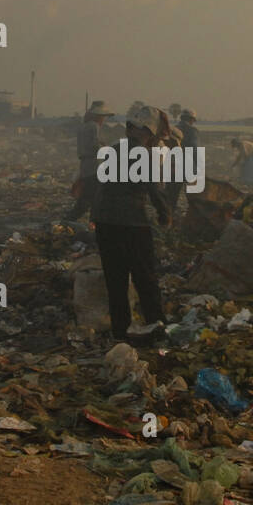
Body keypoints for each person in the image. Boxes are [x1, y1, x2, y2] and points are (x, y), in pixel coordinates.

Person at [93, 108, 172, 340]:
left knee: (115, 279)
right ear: (147, 131)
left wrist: (94, 215)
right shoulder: (143, 154)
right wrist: (164, 214)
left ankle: (121, 330)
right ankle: (156, 324)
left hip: (105, 222)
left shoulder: (114, 149)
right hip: (132, 222)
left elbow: (101, 186)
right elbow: (153, 188)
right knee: (144, 276)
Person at [69, 100, 112, 220]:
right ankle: (71, 219)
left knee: (91, 195)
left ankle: (87, 219)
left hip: (85, 165)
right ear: (98, 116)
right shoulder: (94, 126)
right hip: (94, 165)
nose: (103, 120)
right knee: (91, 196)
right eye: (103, 117)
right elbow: (94, 146)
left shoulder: (82, 127)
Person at [164, 107, 199, 215]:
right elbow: (193, 148)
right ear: (191, 119)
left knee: (171, 194)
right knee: (193, 195)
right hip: (187, 166)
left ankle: (167, 215)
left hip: (172, 165)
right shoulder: (192, 131)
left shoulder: (173, 129)